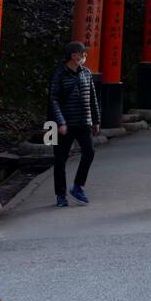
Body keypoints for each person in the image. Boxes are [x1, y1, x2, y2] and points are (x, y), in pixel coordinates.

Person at [48, 40, 100, 208]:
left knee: (89, 152)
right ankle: (60, 195)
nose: (85, 56)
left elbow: (92, 98)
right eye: (82, 53)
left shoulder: (86, 72)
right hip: (63, 125)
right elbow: (53, 100)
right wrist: (61, 122)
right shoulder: (59, 74)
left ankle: (78, 186)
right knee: (60, 160)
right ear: (73, 56)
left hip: (83, 121)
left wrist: (96, 120)